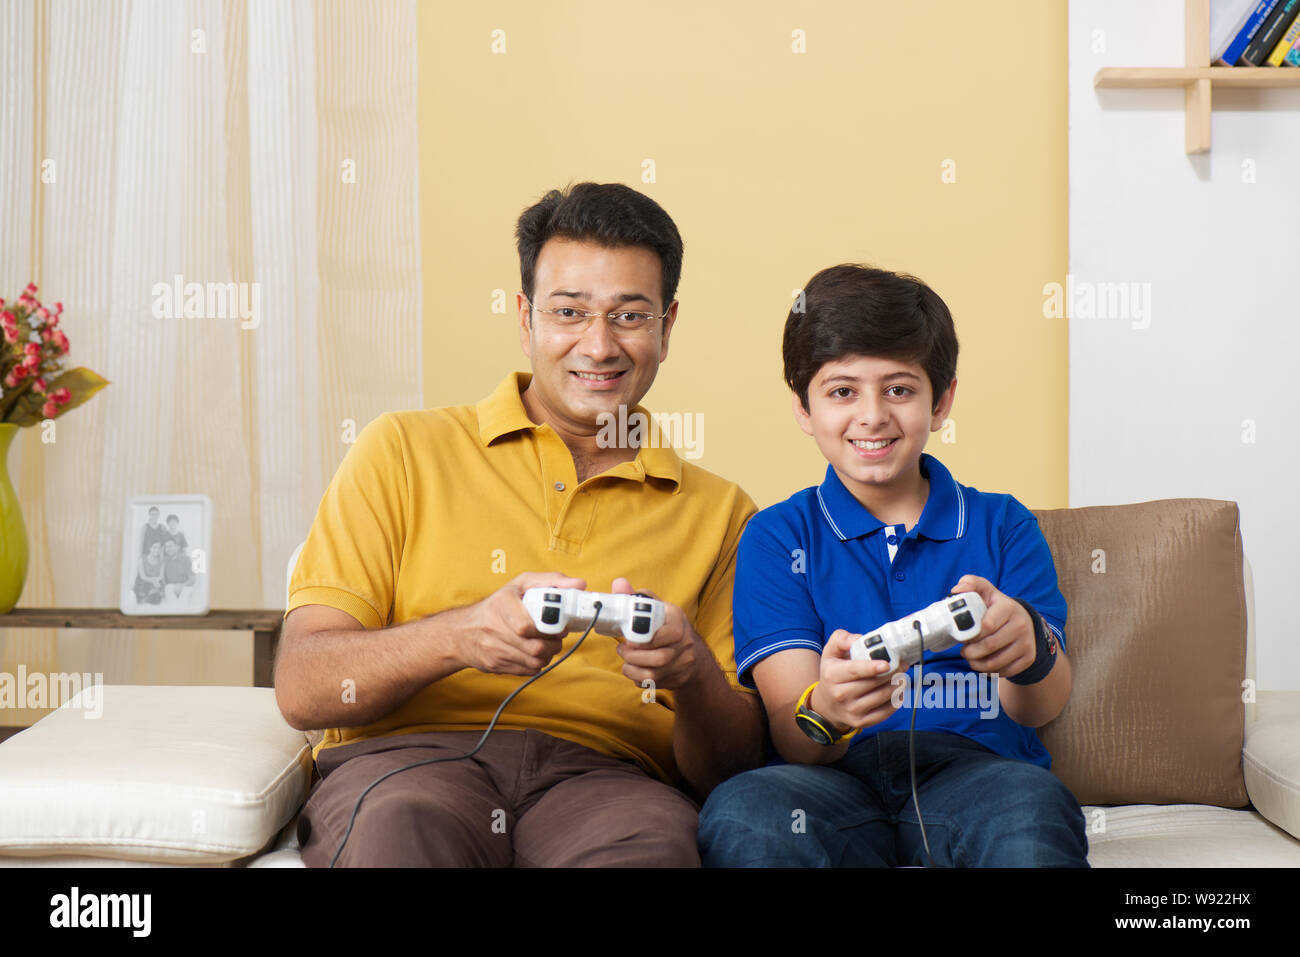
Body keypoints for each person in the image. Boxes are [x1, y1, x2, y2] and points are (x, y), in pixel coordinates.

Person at [277, 182, 764, 867]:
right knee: (402, 829)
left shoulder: (723, 514)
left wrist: (691, 675)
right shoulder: (402, 450)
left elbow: (733, 766)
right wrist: (458, 635)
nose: (598, 345)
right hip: (411, 766)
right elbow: (303, 684)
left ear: (667, 325)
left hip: (609, 784)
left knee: (649, 850)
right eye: (569, 312)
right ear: (526, 317)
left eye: (629, 315)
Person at [697, 263, 1089, 867]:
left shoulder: (1003, 525)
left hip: (974, 774)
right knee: (745, 811)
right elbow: (790, 733)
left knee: (1033, 809)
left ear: (942, 401)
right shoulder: (777, 536)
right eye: (842, 391)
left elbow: (1043, 705)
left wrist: (1029, 648)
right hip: (829, 778)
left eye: (900, 389)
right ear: (804, 408)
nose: (873, 415)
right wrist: (824, 710)